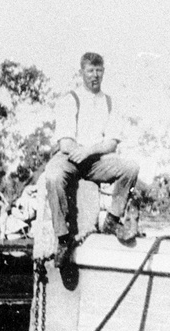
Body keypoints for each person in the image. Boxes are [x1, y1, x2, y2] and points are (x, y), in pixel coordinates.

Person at [43, 52, 141, 271]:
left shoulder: (109, 102)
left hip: (94, 159)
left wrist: (89, 151)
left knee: (131, 167)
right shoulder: (71, 99)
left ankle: (113, 221)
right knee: (53, 176)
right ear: (82, 72)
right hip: (70, 157)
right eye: (90, 70)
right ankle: (63, 238)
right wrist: (80, 151)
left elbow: (111, 143)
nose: (95, 75)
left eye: (99, 70)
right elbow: (66, 143)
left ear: (103, 72)